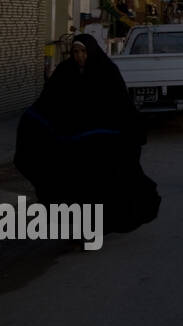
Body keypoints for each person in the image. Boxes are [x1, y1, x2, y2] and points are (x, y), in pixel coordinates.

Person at [14, 34, 160, 237]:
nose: (80, 57)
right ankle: (80, 230)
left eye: (83, 52)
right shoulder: (65, 72)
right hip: (72, 144)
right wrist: (32, 121)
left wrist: (130, 132)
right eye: (75, 52)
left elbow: (121, 105)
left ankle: (96, 227)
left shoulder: (107, 71)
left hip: (102, 145)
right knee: (72, 189)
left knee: (102, 188)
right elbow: (48, 101)